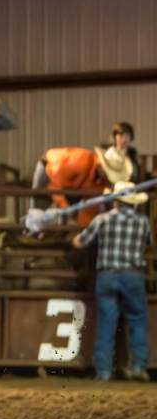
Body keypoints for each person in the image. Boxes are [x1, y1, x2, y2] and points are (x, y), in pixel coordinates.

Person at [72, 181, 152, 381]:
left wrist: (72, 238)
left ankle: (104, 371)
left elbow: (80, 242)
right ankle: (139, 367)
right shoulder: (142, 222)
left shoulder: (102, 220)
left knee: (107, 323)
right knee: (137, 321)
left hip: (107, 274)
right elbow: (149, 244)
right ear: (132, 202)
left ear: (114, 201)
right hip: (133, 275)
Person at [31, 122, 138, 226]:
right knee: (39, 201)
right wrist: (66, 208)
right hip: (49, 166)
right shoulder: (80, 162)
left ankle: (61, 231)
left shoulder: (102, 183)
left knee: (72, 207)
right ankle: (31, 230)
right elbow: (54, 187)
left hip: (75, 181)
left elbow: (90, 207)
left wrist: (87, 228)